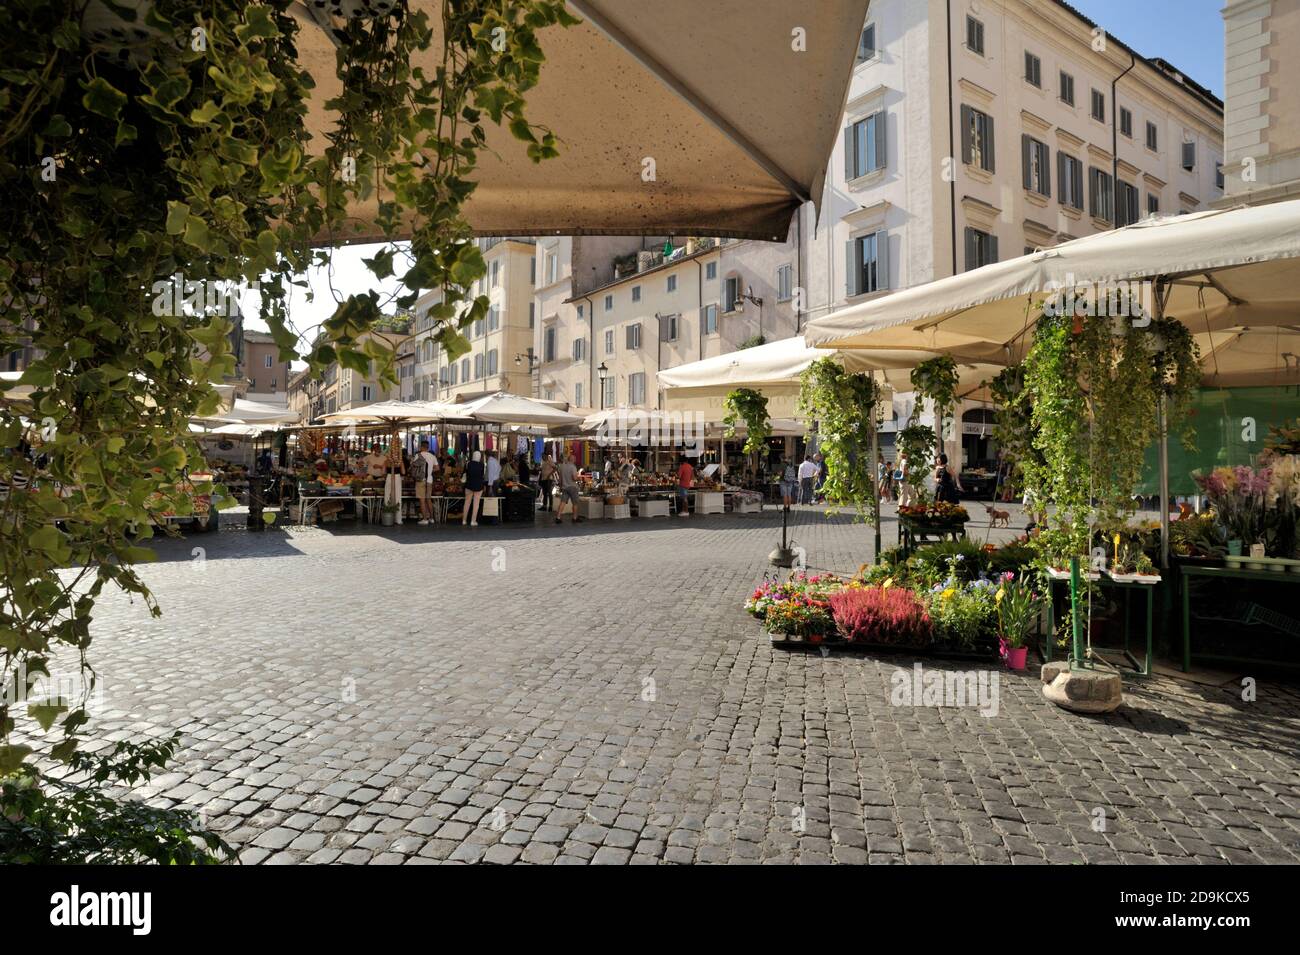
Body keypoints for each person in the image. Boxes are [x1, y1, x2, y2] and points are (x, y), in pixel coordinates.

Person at [413, 439, 440, 525]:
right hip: (429, 480)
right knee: (428, 499)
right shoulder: (432, 456)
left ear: (421, 447)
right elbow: (437, 468)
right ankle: (431, 518)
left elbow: (413, 466)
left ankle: (425, 519)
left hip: (420, 480)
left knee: (422, 500)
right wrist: (429, 471)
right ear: (428, 447)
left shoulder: (418, 455)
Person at [554, 452, 583, 524]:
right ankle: (575, 518)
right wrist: (579, 478)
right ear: (572, 460)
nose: (575, 460)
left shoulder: (562, 466)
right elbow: (574, 478)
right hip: (572, 487)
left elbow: (560, 478)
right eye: (575, 459)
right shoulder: (573, 467)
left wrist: (561, 486)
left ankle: (558, 517)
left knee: (562, 502)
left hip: (565, 487)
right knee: (575, 503)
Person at [462, 450, 486, 526]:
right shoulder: (482, 465)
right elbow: (483, 475)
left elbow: (464, 473)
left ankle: (464, 520)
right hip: (479, 486)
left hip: (469, 485)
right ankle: (473, 521)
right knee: (476, 504)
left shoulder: (468, 463)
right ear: (479, 457)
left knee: (467, 503)